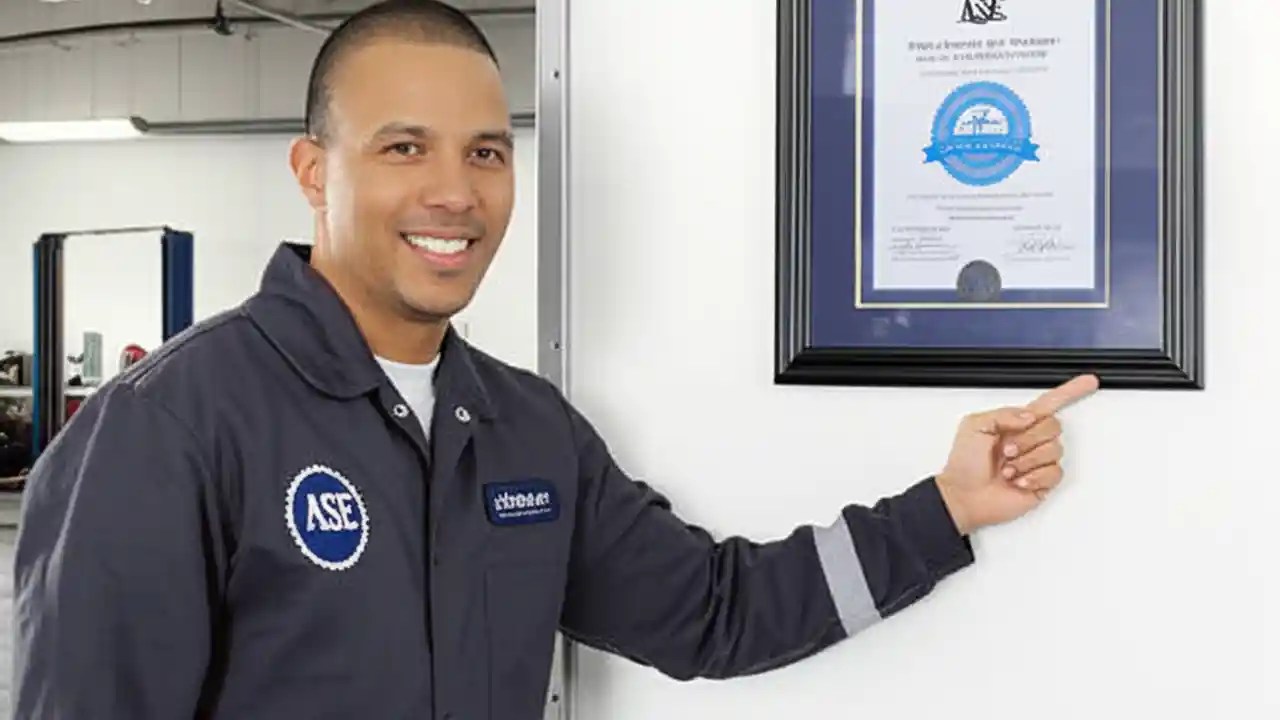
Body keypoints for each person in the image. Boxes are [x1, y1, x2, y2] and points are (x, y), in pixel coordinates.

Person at [10, 1, 1099, 718]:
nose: (456, 192)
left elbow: (713, 613)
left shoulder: (526, 431)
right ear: (313, 169)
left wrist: (944, 508)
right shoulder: (170, 425)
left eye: (486, 151)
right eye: (403, 148)